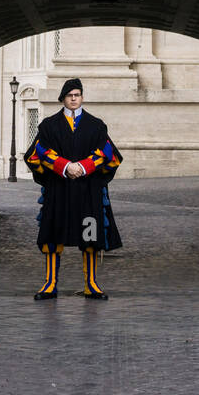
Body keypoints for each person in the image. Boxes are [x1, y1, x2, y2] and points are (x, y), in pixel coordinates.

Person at [23, 78, 123, 300]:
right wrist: (64, 167)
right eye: (70, 95)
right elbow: (37, 152)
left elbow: (109, 153)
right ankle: (50, 284)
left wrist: (84, 167)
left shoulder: (97, 126)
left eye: (77, 95)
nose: (74, 98)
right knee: (52, 234)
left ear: (82, 97)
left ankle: (91, 284)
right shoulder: (48, 126)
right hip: (58, 189)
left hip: (88, 190)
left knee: (90, 235)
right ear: (63, 99)